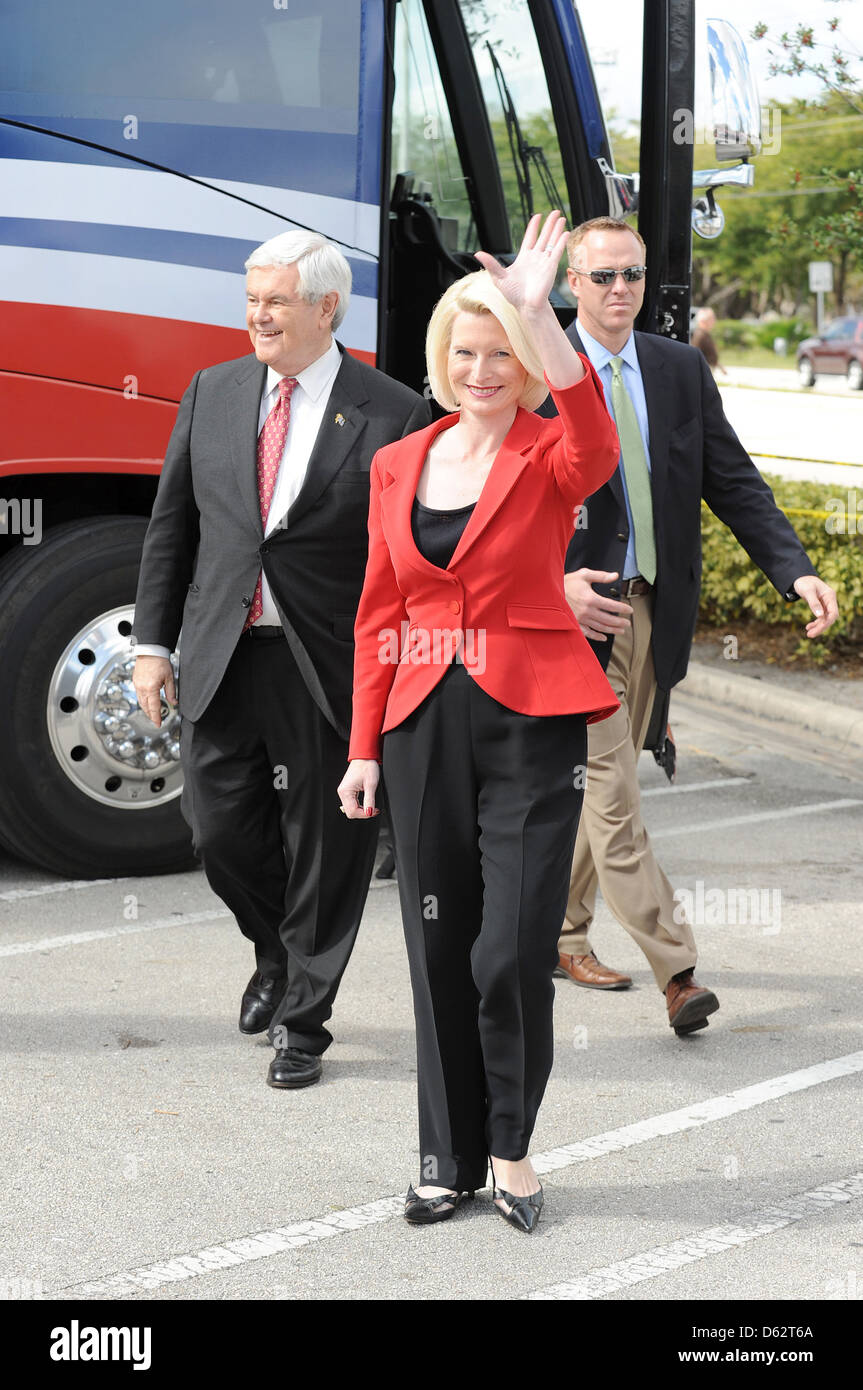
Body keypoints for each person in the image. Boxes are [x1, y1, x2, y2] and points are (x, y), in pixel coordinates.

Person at [338, 212, 620, 1231]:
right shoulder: (396, 463)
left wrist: (538, 308)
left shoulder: (551, 454)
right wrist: (362, 746)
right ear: (441, 359)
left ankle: (510, 1145)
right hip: (418, 728)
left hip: (527, 725)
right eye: (465, 351)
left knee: (505, 950)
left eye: (499, 350)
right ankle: (443, 1156)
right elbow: (377, 611)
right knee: (433, 945)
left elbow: (596, 436)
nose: (481, 367)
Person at [132, 231, 430, 1089]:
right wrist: (154, 645)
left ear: (325, 308)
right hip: (223, 650)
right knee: (219, 832)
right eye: (252, 298)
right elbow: (172, 526)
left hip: (331, 661)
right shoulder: (212, 390)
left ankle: (304, 1017)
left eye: (275, 301)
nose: (256, 315)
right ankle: (273, 951)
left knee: (331, 844)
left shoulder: (391, 411)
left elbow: (409, 550)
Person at [556, 216, 838, 1033]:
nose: (619, 290)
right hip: (574, 615)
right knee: (611, 792)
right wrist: (551, 582)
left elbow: (732, 479)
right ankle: (676, 969)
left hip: (657, 610)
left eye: (632, 276)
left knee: (601, 785)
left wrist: (795, 569)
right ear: (571, 282)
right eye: (603, 276)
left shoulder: (677, 368)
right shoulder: (540, 367)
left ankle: (560, 932)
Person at [691, 307, 725, 375]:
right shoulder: (699, 335)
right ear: (704, 321)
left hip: (708, 369)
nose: (714, 321)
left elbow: (711, 354)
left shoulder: (705, 334)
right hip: (703, 370)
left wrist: (720, 367)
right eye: (712, 319)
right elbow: (695, 355)